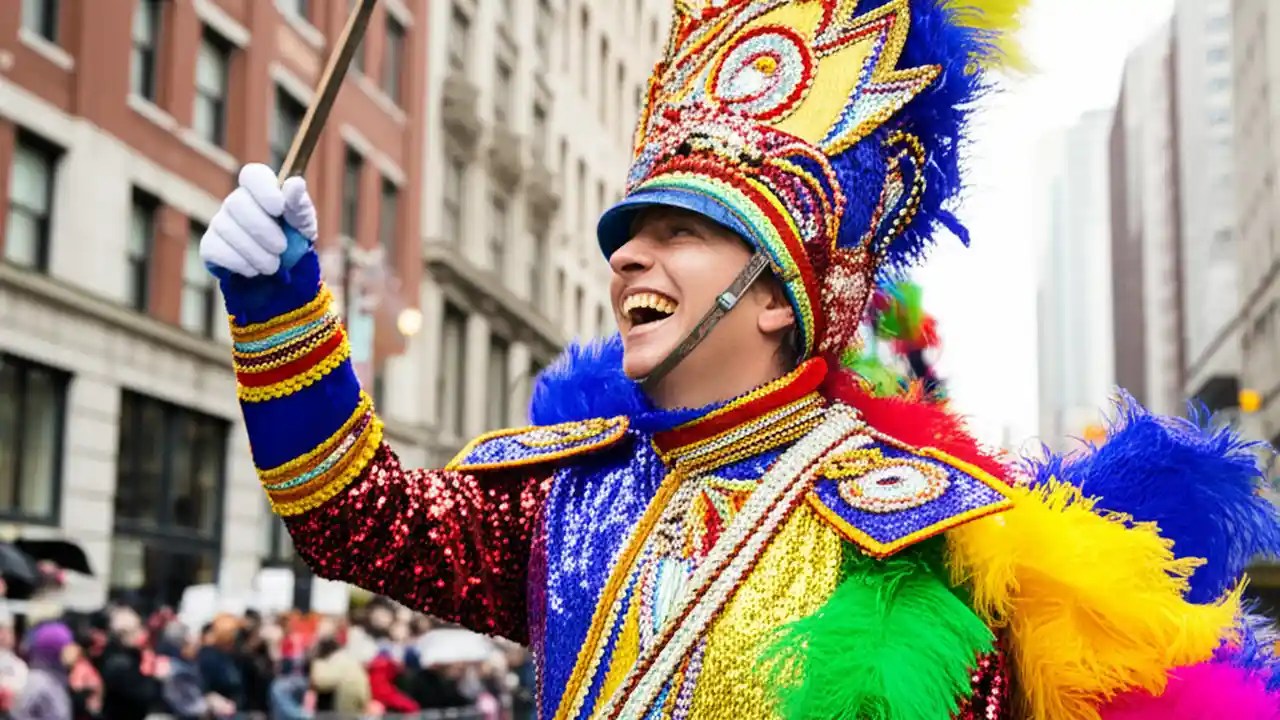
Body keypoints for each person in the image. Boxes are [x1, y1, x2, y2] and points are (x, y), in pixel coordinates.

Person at [200, 0, 1280, 717]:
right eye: (627, 230)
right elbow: (351, 517)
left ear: (775, 296)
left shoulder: (920, 536)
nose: (626, 252)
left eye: (679, 229)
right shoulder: (567, 496)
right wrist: (280, 303)